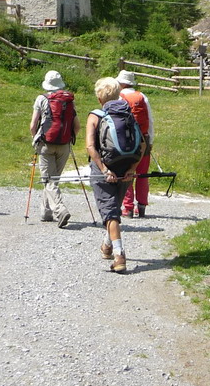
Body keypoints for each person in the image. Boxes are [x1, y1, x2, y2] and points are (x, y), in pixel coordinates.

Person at [86, 77, 145, 273]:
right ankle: (107, 246)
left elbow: (90, 147)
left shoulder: (95, 116)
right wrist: (132, 168)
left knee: (110, 212)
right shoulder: (128, 114)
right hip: (126, 167)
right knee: (113, 209)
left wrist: (103, 169)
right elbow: (142, 144)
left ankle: (119, 255)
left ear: (99, 96)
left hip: (104, 170)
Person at [29, 70, 79, 228]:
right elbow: (77, 127)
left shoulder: (41, 99)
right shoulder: (69, 100)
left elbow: (32, 125)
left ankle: (60, 210)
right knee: (53, 180)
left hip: (46, 144)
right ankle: (46, 212)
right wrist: (69, 138)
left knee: (49, 180)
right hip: (64, 145)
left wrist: (35, 138)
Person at [117, 69, 155, 218]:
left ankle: (128, 207)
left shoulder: (119, 98)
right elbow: (150, 120)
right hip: (144, 139)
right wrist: (150, 139)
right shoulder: (142, 96)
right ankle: (142, 206)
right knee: (142, 173)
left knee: (127, 172)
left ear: (122, 83)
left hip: (127, 140)